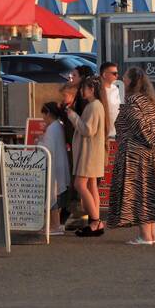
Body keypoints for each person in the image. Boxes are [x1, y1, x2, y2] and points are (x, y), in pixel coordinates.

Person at [108, 67, 155, 245]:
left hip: (138, 156)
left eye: (124, 78)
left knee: (140, 195)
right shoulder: (151, 102)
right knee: (152, 193)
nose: (122, 80)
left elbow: (139, 126)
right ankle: (151, 235)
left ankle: (145, 236)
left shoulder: (132, 103)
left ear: (131, 82)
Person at [65, 75, 108, 237]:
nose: (82, 91)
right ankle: (95, 222)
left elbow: (87, 130)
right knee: (91, 186)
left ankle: (96, 220)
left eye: (84, 88)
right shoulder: (96, 105)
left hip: (88, 153)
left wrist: (72, 115)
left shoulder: (94, 106)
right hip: (92, 152)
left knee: (80, 185)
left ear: (92, 89)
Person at [39, 88, 76, 235]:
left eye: (44, 115)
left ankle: (54, 226)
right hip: (62, 165)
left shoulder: (51, 129)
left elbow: (46, 148)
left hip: (54, 166)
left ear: (48, 113)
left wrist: (38, 142)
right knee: (58, 195)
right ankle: (56, 224)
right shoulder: (59, 126)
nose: (43, 119)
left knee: (52, 196)